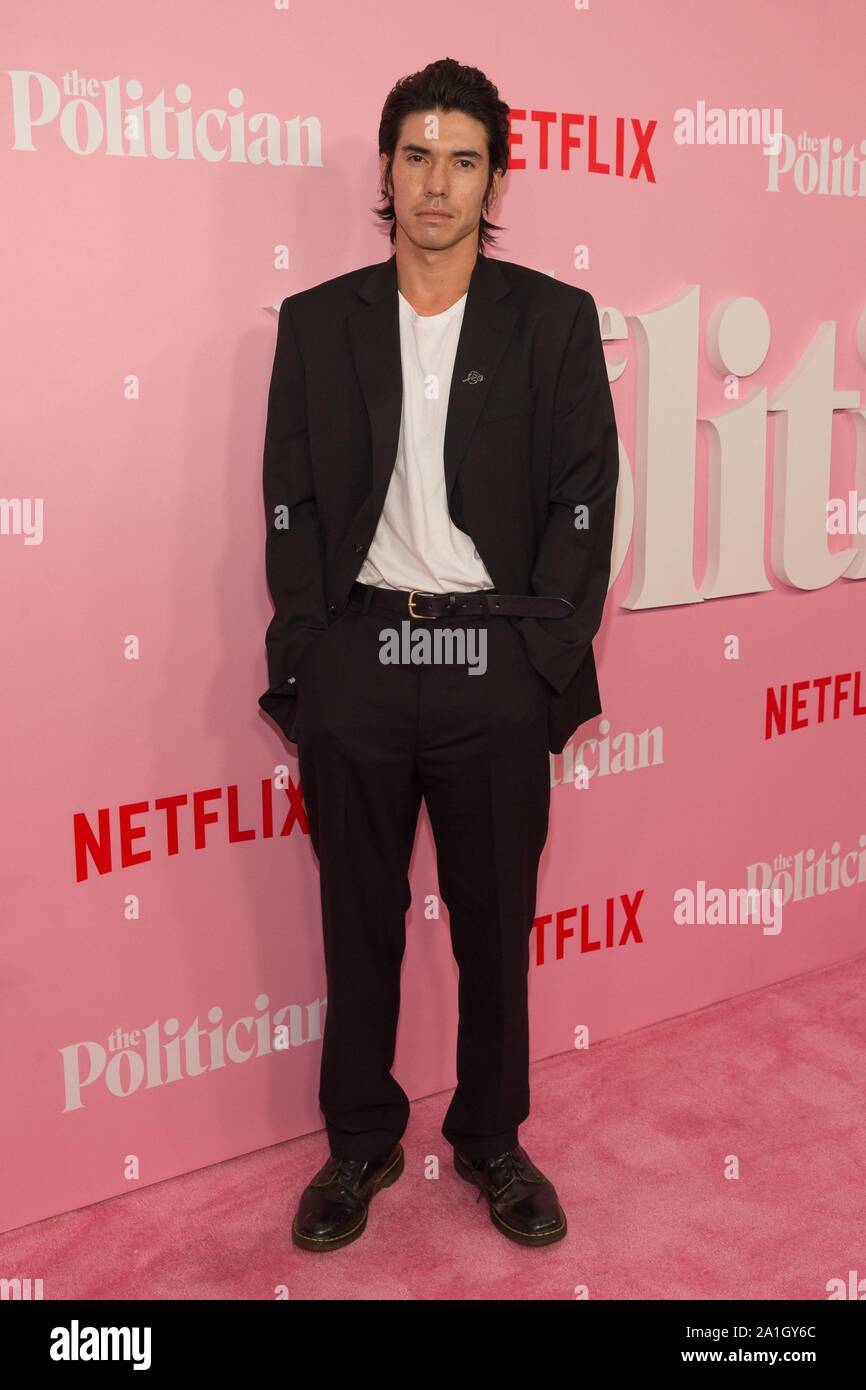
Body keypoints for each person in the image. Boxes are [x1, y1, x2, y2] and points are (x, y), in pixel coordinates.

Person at [258, 57, 619, 1251]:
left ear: (494, 177)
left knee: (490, 922)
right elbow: (291, 501)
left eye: (462, 159)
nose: (436, 182)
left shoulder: (552, 321)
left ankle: (491, 1138)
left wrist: (541, 654)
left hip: (492, 665)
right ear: (385, 169)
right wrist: (309, 654)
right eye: (415, 155)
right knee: (354, 918)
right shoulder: (317, 323)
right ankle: (358, 1145)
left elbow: (583, 494)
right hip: (360, 654)